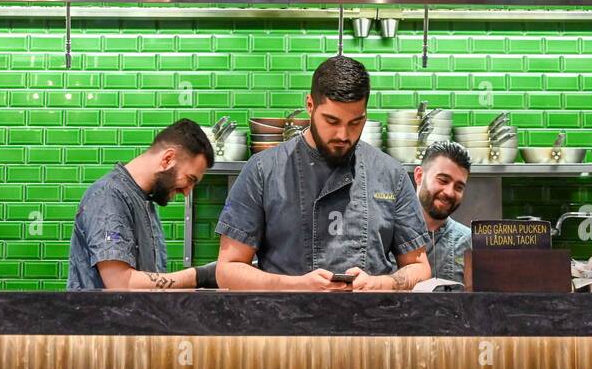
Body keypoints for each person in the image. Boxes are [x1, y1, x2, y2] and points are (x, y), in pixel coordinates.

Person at [215, 56, 431, 291]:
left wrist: (382, 283)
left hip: (371, 322)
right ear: (310, 105)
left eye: (355, 122)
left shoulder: (391, 174)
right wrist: (295, 286)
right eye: (331, 120)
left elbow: (420, 268)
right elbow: (228, 270)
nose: (343, 134)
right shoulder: (262, 171)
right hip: (284, 323)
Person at [67, 118, 217, 290]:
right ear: (168, 159)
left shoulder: (143, 201)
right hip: (101, 316)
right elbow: (121, 283)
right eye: (190, 179)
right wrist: (199, 276)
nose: (187, 192)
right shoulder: (108, 196)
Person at [413, 141, 472, 284]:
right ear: (419, 176)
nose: (450, 193)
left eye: (459, 187)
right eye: (443, 180)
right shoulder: (387, 235)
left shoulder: (469, 242)